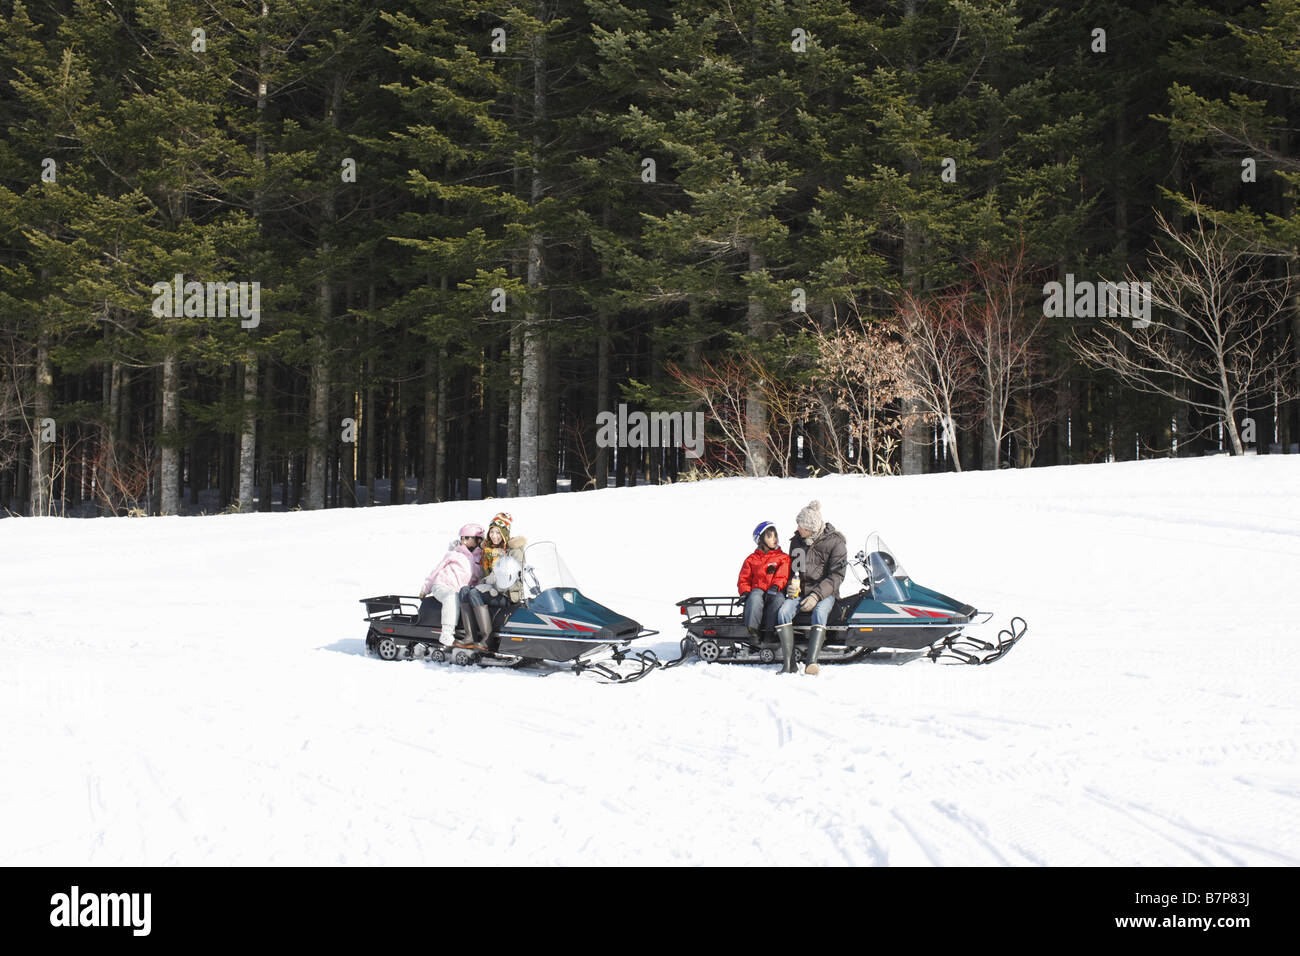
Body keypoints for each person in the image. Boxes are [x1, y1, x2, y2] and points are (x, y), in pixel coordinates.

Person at [776, 500, 847, 675]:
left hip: (825, 592)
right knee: (783, 612)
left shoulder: (836, 543)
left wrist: (816, 596)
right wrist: (790, 588)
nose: (798, 529)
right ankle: (789, 664)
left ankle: (811, 663)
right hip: (801, 590)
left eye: (801, 526)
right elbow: (794, 570)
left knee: (820, 612)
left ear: (812, 528)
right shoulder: (797, 542)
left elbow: (836, 576)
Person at [458, 512, 524, 646]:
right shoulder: (487, 551)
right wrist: (486, 585)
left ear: (505, 534)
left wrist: (492, 587)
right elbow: (483, 577)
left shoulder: (514, 551)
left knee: (474, 593)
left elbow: (514, 578)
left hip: (507, 594)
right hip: (490, 589)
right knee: (465, 591)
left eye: (498, 533)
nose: (494, 536)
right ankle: (470, 636)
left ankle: (487, 639)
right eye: (492, 532)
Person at [419, 523, 484, 649]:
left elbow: (477, 579)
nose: (463, 540)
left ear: (478, 540)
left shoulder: (480, 558)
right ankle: (446, 634)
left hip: (460, 591)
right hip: (442, 585)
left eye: (467, 538)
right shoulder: (455, 553)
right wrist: (425, 589)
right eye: (462, 538)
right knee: (451, 596)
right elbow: (436, 570)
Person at [737, 521, 790, 648]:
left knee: (778, 600)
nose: (774, 539)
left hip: (775, 589)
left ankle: (770, 632)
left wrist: (776, 585)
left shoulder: (783, 557)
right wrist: (745, 592)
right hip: (758, 588)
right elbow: (744, 578)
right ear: (761, 539)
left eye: (775, 536)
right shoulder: (752, 559)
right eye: (770, 536)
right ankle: (753, 632)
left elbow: (783, 574)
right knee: (754, 597)